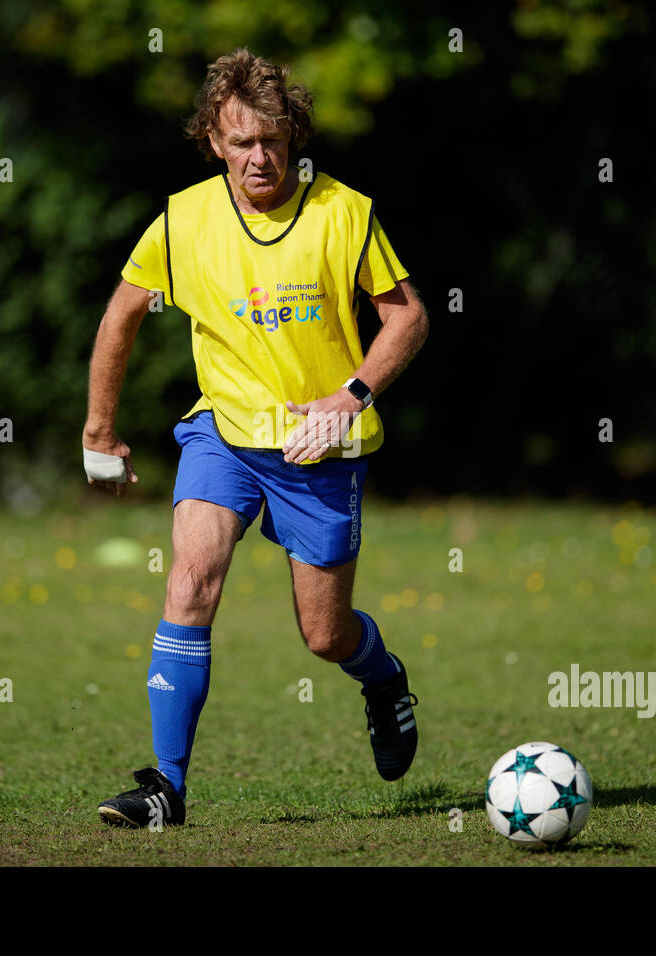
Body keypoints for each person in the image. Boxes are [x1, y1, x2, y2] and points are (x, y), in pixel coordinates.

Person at [82, 48, 429, 828]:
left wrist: (351, 394)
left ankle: (383, 679)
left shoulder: (345, 212)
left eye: (272, 139)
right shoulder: (183, 220)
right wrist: (101, 427)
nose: (259, 157)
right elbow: (121, 316)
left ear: (294, 136)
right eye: (241, 142)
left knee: (323, 634)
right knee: (190, 579)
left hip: (321, 451)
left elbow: (407, 317)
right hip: (225, 433)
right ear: (214, 140)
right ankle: (164, 788)